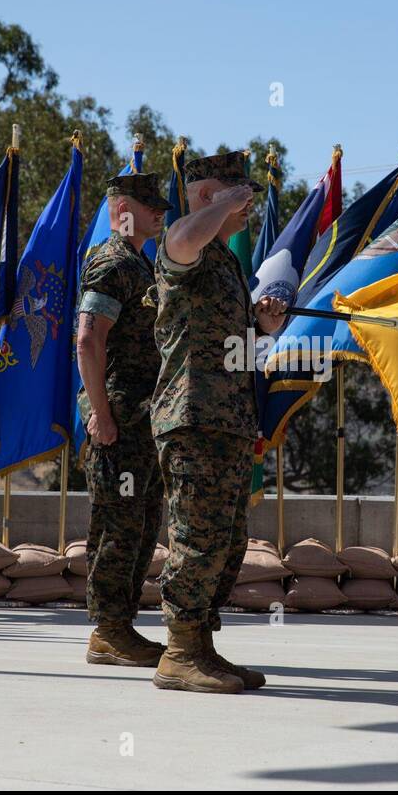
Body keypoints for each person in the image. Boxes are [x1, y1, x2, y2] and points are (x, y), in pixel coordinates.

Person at [150, 150, 286, 694]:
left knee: (226, 541)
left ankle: (200, 644)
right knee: (196, 538)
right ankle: (178, 652)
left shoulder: (227, 262)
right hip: (192, 415)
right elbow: (180, 238)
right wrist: (220, 201)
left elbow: (233, 350)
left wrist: (261, 327)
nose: (249, 205)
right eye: (240, 195)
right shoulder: (184, 244)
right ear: (210, 196)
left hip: (228, 418)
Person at [76, 173, 172, 667]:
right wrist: (101, 413)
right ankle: (109, 630)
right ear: (123, 208)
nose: (161, 212)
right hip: (120, 419)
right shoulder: (113, 263)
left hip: (142, 419)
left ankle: (119, 627)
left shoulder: (141, 264)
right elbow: (89, 340)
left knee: (140, 523)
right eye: (151, 204)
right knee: (118, 523)